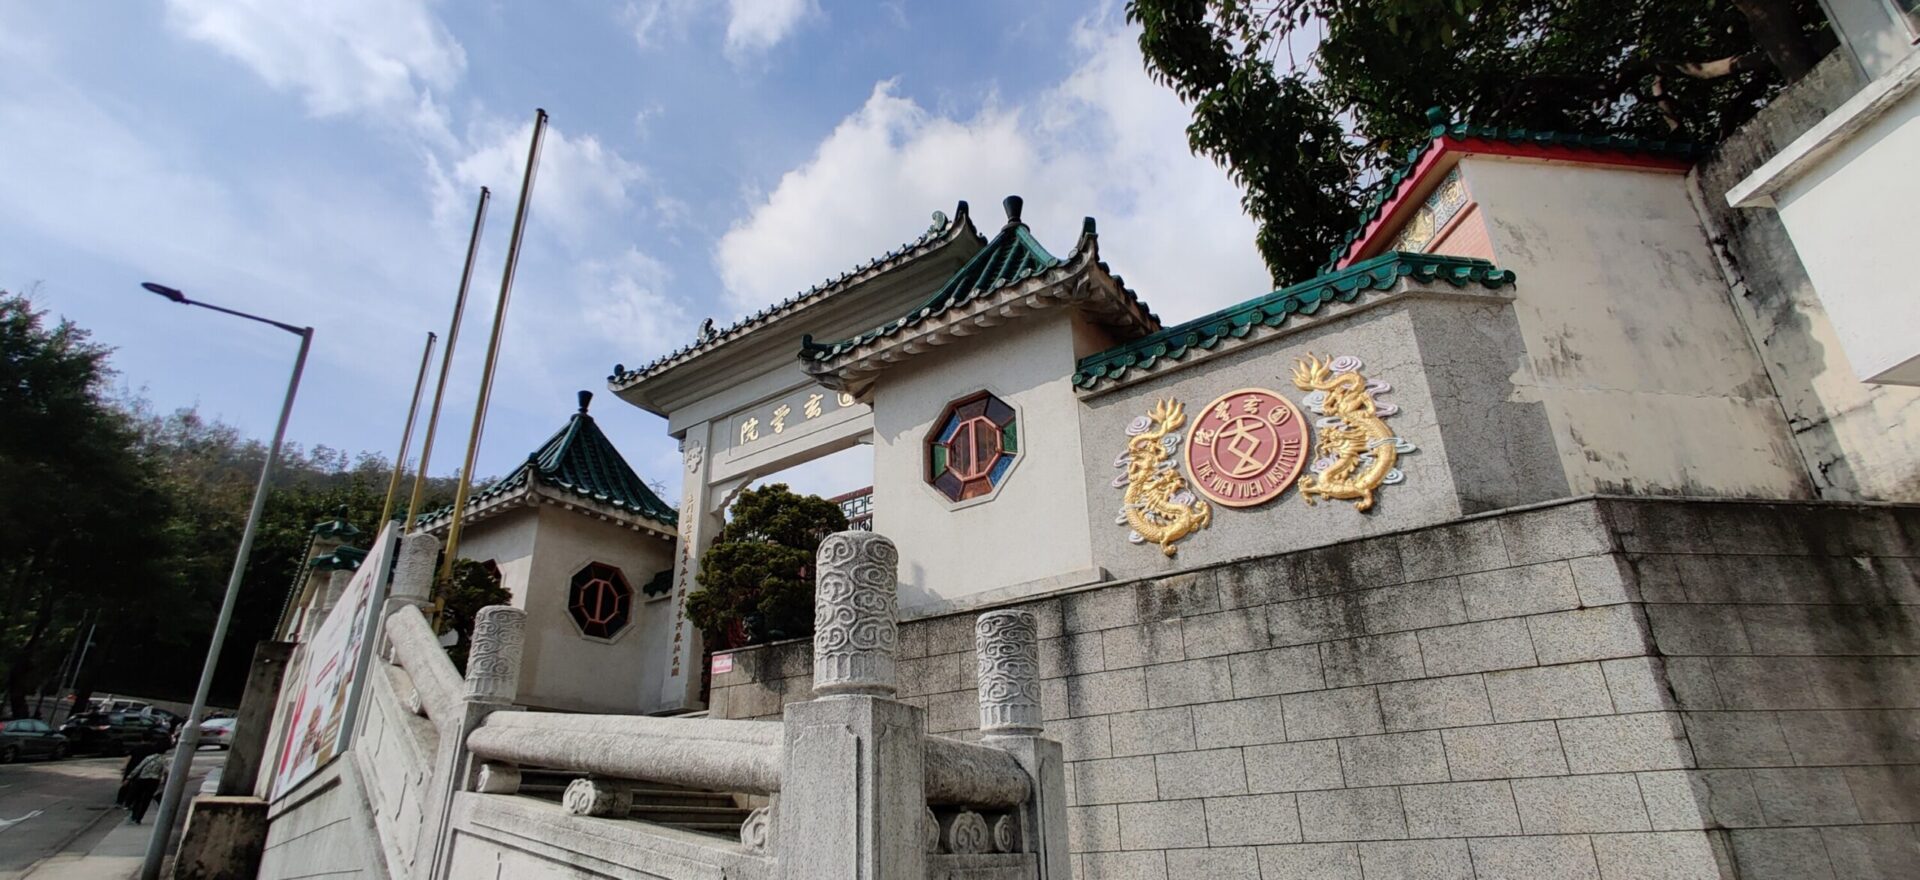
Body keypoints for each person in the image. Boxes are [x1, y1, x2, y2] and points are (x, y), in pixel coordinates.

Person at [124, 749, 169, 824]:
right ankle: (139, 818)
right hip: (154, 781)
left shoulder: (149, 758)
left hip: (142, 779)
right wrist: (164, 782)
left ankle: (133, 815)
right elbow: (166, 772)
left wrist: (129, 778)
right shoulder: (164, 760)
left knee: (138, 798)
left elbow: (138, 768)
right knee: (146, 800)